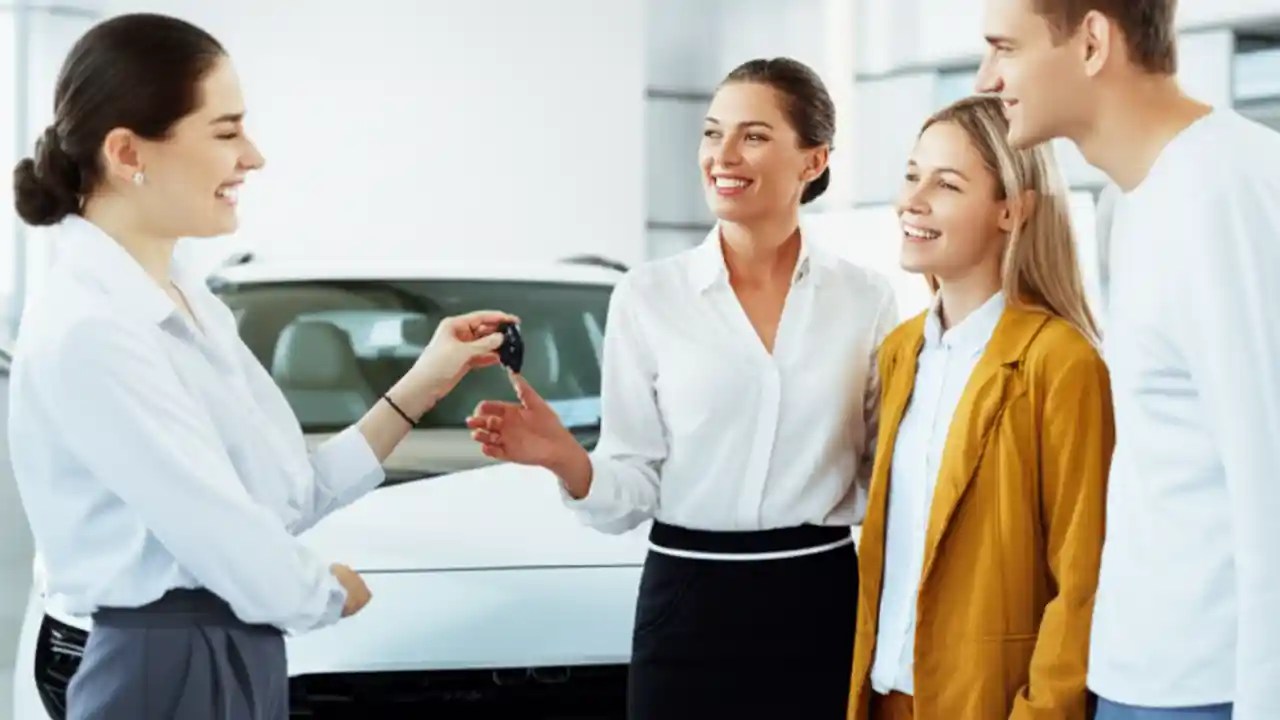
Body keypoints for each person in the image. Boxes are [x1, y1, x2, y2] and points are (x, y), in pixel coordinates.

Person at [8, 13, 516, 720]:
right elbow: (217, 528)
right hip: (166, 665)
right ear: (127, 152)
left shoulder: (188, 302)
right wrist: (322, 593)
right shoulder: (91, 326)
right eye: (226, 132)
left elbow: (284, 496)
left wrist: (424, 383)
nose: (253, 157)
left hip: (226, 649)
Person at [467, 57, 898, 719]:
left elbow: (884, 472)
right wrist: (566, 459)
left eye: (754, 136)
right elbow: (632, 486)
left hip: (821, 599)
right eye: (712, 133)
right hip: (687, 601)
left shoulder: (864, 298)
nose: (722, 155)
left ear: (813, 161)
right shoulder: (648, 296)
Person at [977, 1, 1280, 718]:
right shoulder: (1131, 198)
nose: (987, 78)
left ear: (1091, 42)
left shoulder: (1225, 190)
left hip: (1214, 689)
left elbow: (1271, 474)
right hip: (1138, 673)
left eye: (1005, 48)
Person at [845, 95, 1113, 720]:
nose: (912, 201)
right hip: (883, 696)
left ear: (1011, 210)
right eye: (912, 176)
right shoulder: (900, 352)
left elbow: (1084, 581)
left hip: (992, 704)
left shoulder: (1062, 362)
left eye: (946, 184)